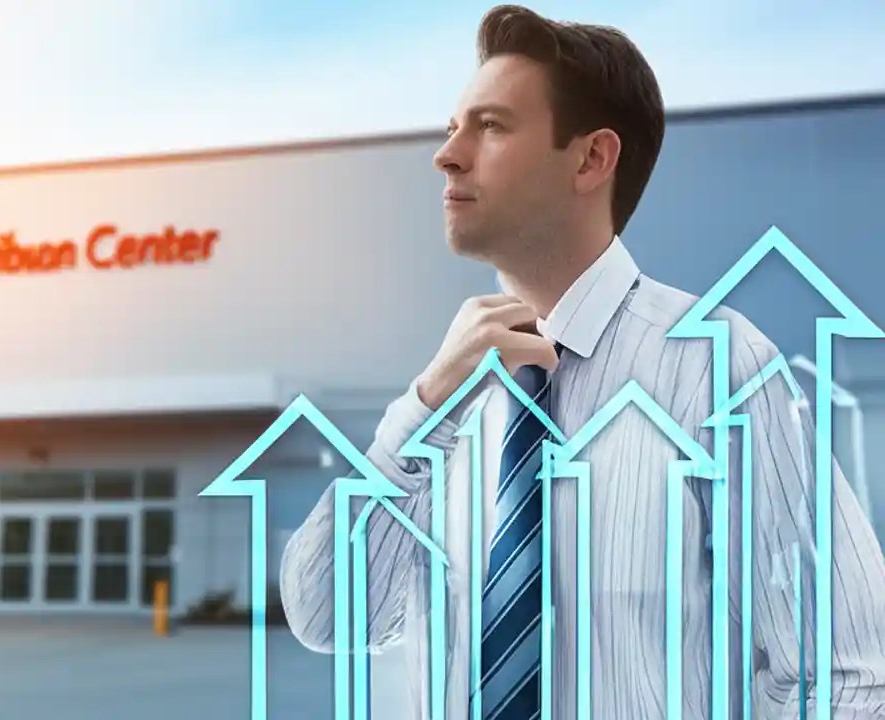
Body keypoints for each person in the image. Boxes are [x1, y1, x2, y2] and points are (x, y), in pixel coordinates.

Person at [278, 5, 885, 719]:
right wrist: (420, 412)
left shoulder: (715, 368)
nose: (447, 154)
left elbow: (845, 675)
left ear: (592, 158)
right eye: (452, 127)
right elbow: (329, 619)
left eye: (492, 126)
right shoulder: (448, 404)